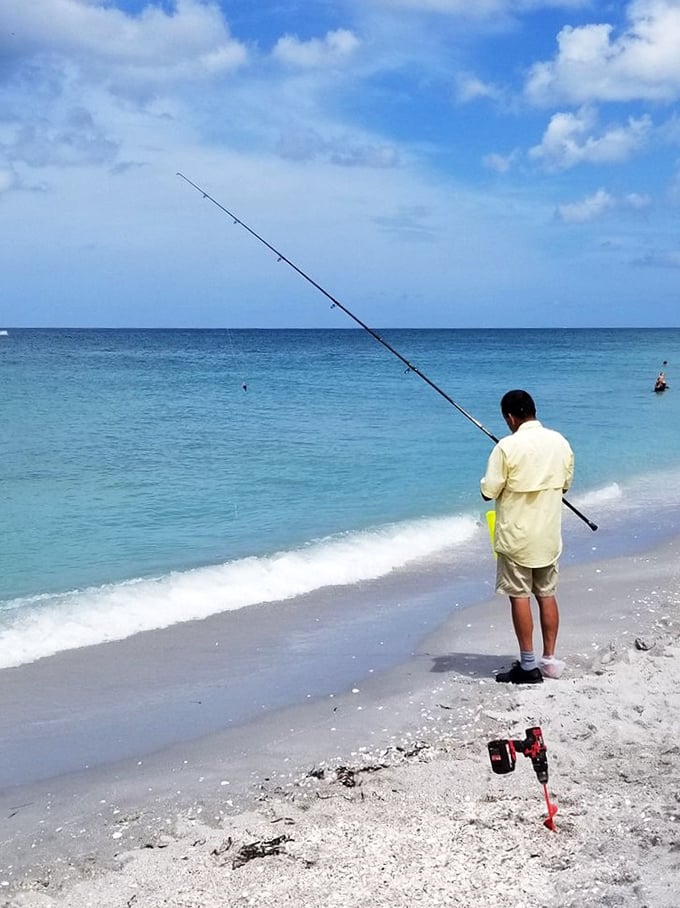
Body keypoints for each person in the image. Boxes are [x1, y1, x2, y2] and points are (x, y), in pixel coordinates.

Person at [480, 390, 574, 684]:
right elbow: (566, 486)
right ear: (533, 410)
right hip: (548, 535)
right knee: (547, 594)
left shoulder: (507, 447)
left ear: (510, 417)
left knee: (519, 596)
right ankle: (549, 661)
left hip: (516, 538)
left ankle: (528, 665)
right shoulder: (560, 442)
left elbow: (488, 491)